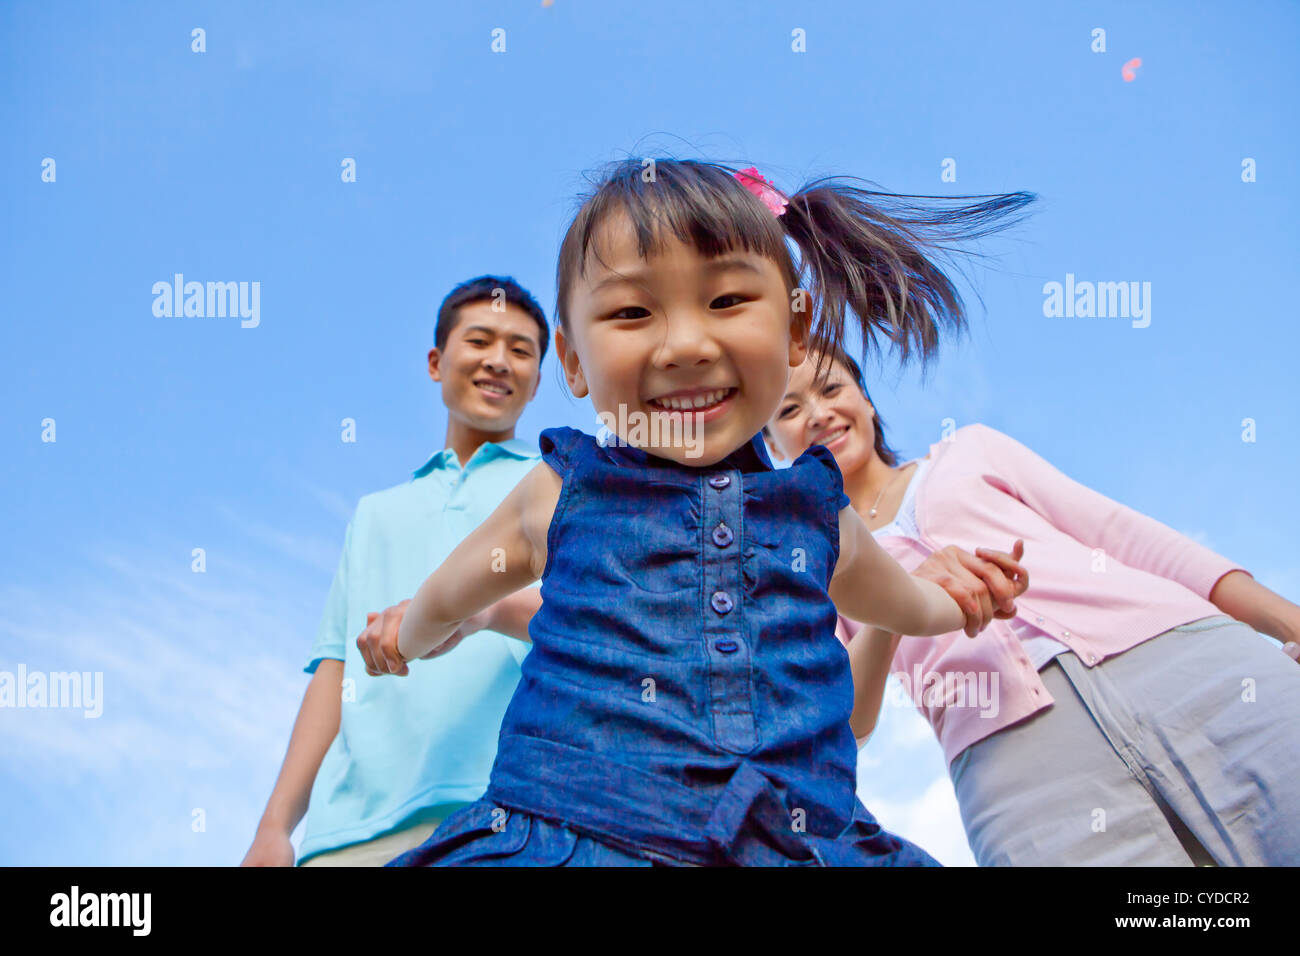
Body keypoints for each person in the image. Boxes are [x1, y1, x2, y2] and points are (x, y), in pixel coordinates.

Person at [359, 159, 1032, 866]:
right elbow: (447, 591)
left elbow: (906, 606)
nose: (684, 346)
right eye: (631, 312)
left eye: (728, 301)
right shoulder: (561, 490)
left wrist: (963, 600)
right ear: (574, 360)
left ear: (796, 329)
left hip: (798, 839)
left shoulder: (816, 515)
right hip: (571, 828)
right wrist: (407, 636)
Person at [764, 345, 1300, 866]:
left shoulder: (970, 450)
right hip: (1013, 767)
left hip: (1189, 666)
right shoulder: (811, 558)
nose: (818, 414)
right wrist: (898, 608)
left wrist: (1286, 620)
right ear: (773, 446)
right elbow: (847, 717)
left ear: (867, 401)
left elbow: (1125, 536)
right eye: (788, 409)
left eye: (832, 389)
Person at [240, 275, 550, 866]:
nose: (498, 361)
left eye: (520, 350)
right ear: (437, 362)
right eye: (480, 340)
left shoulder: (549, 484)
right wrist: (276, 826)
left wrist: (485, 611)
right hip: (348, 834)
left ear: (538, 379)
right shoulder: (375, 513)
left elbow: (586, 620)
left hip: (503, 812)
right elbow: (334, 669)